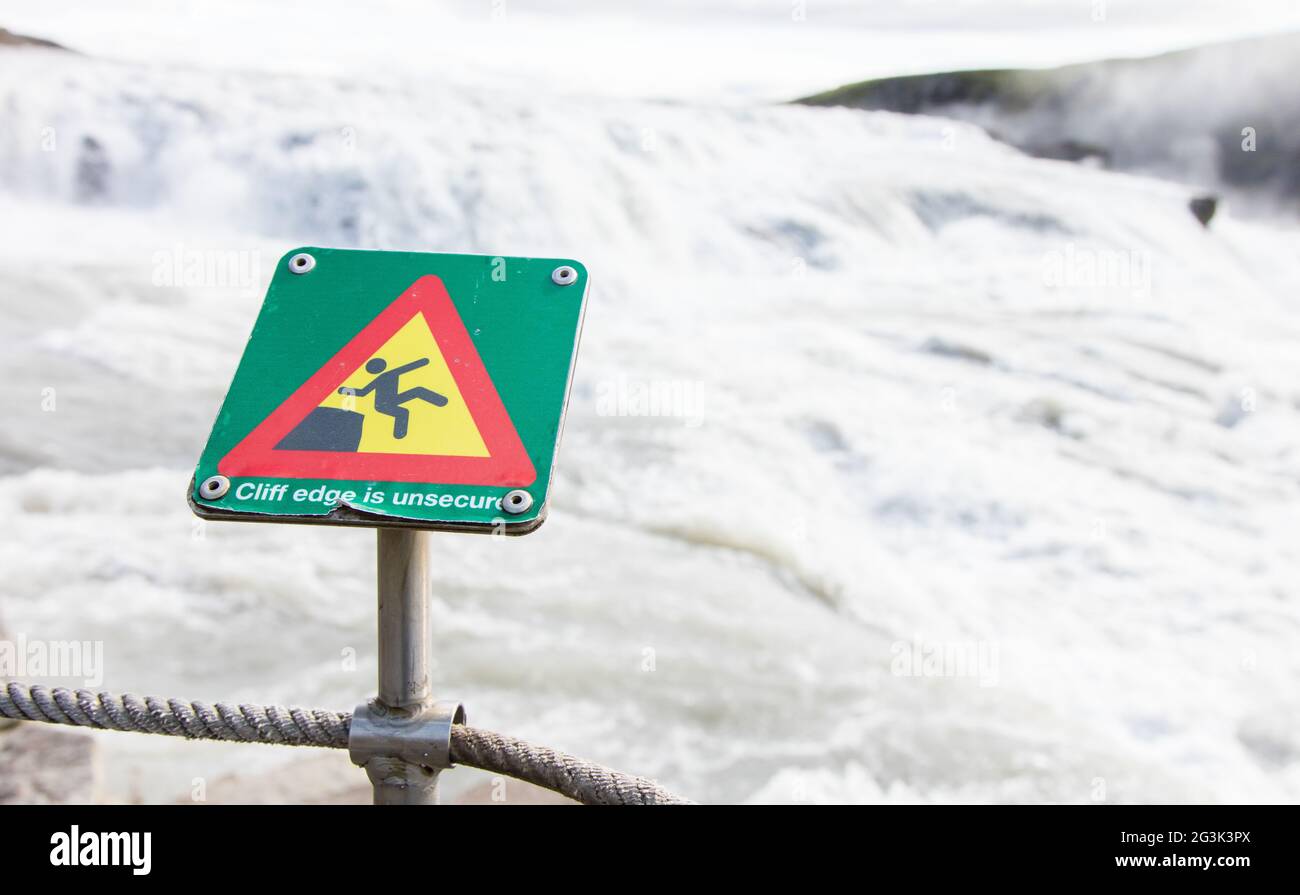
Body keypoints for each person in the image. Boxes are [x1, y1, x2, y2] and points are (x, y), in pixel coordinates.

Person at [338, 357, 447, 439]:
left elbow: (407, 368)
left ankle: (441, 401)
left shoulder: (391, 374)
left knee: (417, 391)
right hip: (382, 405)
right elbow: (363, 392)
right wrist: (344, 390)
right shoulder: (382, 378)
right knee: (403, 412)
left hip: (394, 399)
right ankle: (399, 436)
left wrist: (423, 361)